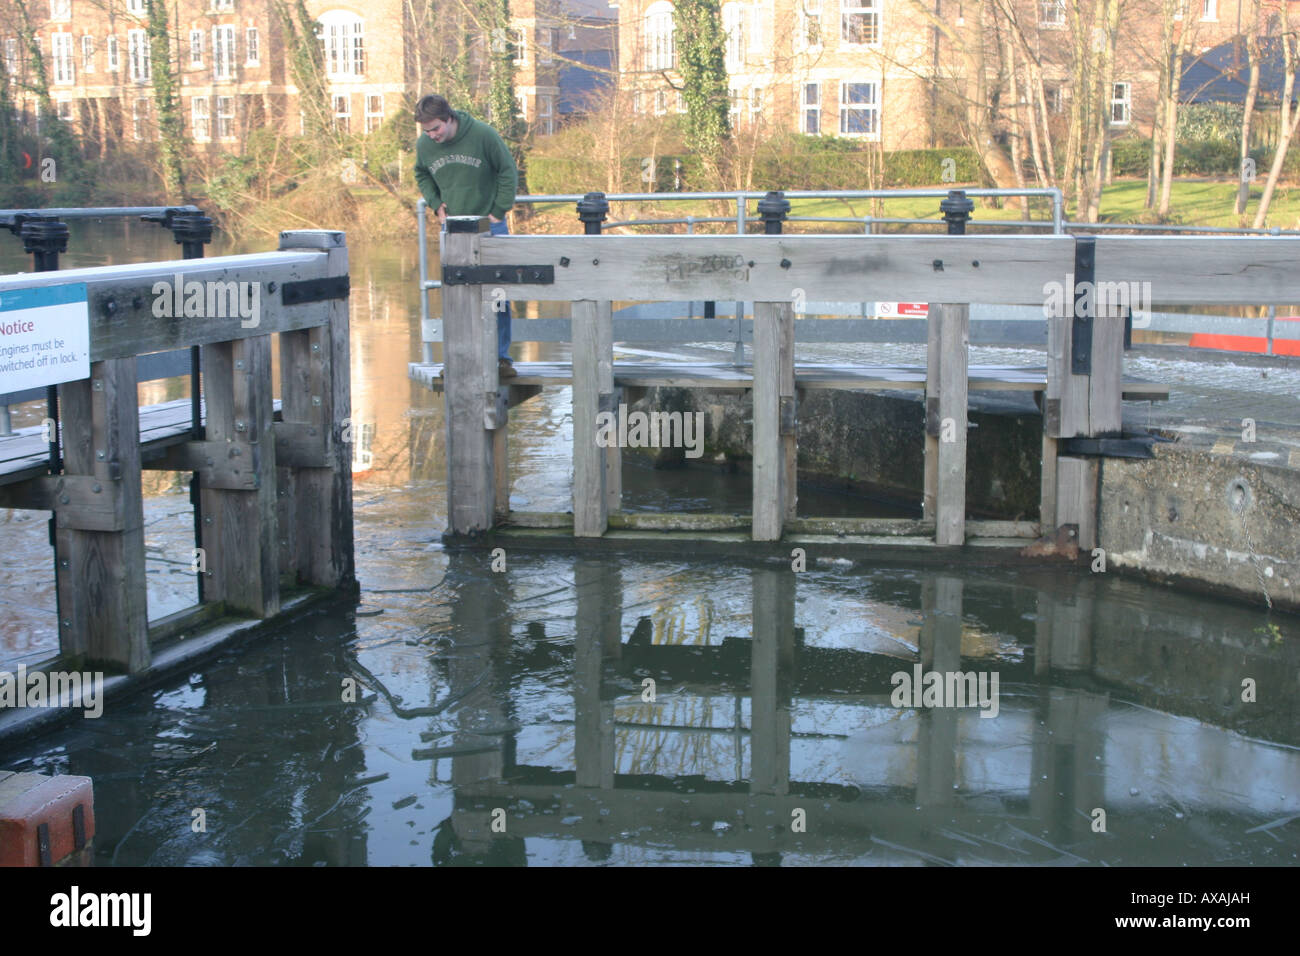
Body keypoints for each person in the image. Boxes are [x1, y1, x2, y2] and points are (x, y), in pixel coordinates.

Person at [413, 94, 519, 378]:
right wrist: (436, 204)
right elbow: (421, 174)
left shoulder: (483, 135)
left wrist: (498, 209)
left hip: (490, 225)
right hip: (454, 227)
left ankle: (500, 358)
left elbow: (507, 170)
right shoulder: (425, 145)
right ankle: (458, 359)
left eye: (436, 128)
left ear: (449, 118)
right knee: (457, 298)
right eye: (426, 131)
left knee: (498, 294)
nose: (432, 135)